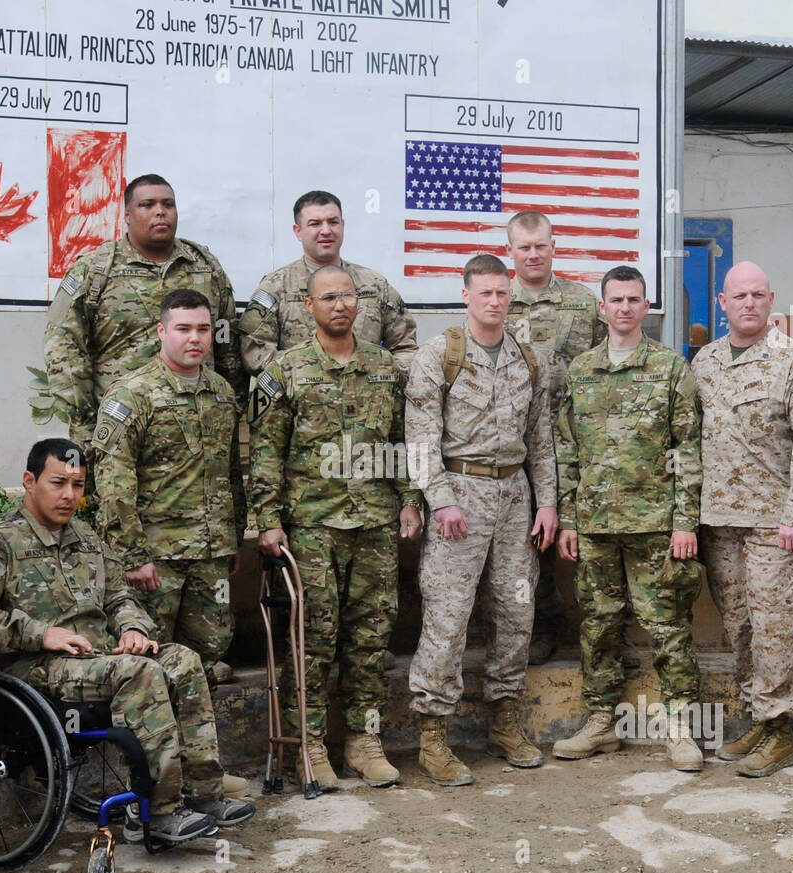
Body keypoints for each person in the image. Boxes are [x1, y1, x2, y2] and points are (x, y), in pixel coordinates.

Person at [0, 439, 254, 841]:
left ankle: (204, 793)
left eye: (78, 484)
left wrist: (131, 628)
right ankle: (155, 814)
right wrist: (41, 633)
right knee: (139, 673)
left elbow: (119, 596)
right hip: (35, 669)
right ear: (28, 481)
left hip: (99, 658)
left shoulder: (87, 538)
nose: (69, 495)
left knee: (184, 661)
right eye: (58, 483)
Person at [250, 265, 424, 789]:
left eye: (347, 295)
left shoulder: (385, 368)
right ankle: (309, 744)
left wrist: (409, 500)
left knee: (370, 636)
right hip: (311, 525)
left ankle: (363, 740)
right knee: (313, 638)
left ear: (359, 303)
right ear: (309, 307)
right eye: (327, 297)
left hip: (373, 522)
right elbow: (265, 451)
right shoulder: (285, 371)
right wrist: (267, 519)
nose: (340, 305)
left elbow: (401, 440)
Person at [403, 254, 557, 786]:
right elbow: (420, 438)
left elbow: (541, 438)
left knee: (516, 610)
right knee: (448, 612)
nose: (495, 301)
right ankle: (433, 735)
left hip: (515, 493)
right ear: (465, 294)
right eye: (484, 292)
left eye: (502, 292)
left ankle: (505, 722)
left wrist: (548, 502)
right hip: (459, 493)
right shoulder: (437, 356)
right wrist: (440, 500)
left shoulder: (527, 359)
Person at [552, 265, 705, 772]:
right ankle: (600, 723)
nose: (623, 308)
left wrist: (685, 521)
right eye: (615, 300)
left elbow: (688, 449)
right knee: (598, 627)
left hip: (656, 524)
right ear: (602, 307)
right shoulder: (581, 370)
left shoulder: (671, 368)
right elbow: (567, 449)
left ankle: (681, 727)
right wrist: (569, 519)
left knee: (667, 628)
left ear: (645, 307)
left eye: (633, 300)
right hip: (595, 526)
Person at [691, 262, 793, 777]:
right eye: (738, 295)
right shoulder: (704, 362)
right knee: (742, 625)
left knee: (778, 626)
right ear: (721, 303)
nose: (748, 303)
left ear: (771, 300)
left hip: (776, 525)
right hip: (720, 522)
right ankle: (759, 716)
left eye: (757, 294)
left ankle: (781, 732)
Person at [93, 289, 245, 690]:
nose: (194, 338)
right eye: (183, 329)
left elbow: (230, 471)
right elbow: (113, 479)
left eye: (203, 329)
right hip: (157, 559)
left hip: (211, 554)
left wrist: (232, 540)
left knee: (209, 653)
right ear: (161, 331)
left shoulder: (222, 393)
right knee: (150, 660)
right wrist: (131, 555)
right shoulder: (132, 394)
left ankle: (198, 745)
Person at [40, 174, 245, 447]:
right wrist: (84, 422)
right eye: (147, 205)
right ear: (127, 215)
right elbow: (63, 346)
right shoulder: (95, 269)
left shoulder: (205, 266)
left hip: (197, 427)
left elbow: (226, 342)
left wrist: (231, 408)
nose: (160, 211)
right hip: (120, 425)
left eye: (168, 204)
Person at [505, 210, 608, 664]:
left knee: (590, 531)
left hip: (578, 440)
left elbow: (611, 361)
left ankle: (604, 637)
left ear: (553, 246)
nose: (533, 254)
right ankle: (541, 627)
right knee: (531, 538)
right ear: (511, 251)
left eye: (540, 245)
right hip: (517, 444)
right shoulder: (496, 300)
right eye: (524, 247)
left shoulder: (583, 303)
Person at [239, 190, 418, 379]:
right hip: (302, 400)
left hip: (367, 402)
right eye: (315, 224)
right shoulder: (275, 287)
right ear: (298, 231)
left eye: (333, 222)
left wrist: (379, 379)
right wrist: (308, 376)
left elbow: (405, 348)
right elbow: (255, 352)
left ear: (342, 225)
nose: (326, 231)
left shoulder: (374, 285)